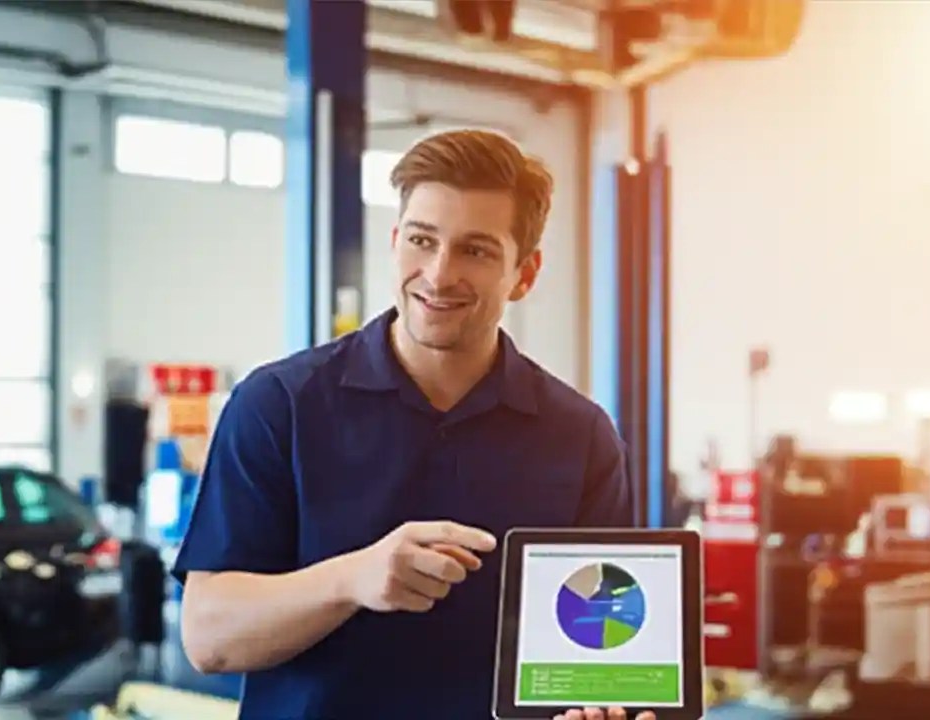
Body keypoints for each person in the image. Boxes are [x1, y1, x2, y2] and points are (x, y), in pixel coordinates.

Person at [174, 129, 653, 720]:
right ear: (396, 239)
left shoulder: (581, 438)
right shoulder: (278, 406)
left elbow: (605, 652)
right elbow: (209, 638)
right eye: (423, 240)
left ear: (525, 274)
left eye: (476, 251)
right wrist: (354, 579)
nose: (439, 274)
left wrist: (604, 708)